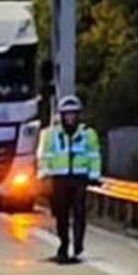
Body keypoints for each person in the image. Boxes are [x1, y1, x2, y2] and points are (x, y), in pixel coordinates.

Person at [37, 94, 102, 263]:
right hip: (59, 179)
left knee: (79, 211)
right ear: (62, 115)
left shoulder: (88, 134)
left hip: (79, 178)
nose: (70, 117)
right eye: (67, 114)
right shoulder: (52, 135)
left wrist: (94, 176)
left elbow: (94, 156)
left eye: (73, 114)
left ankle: (78, 243)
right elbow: (45, 156)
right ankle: (64, 244)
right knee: (61, 215)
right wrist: (44, 175)